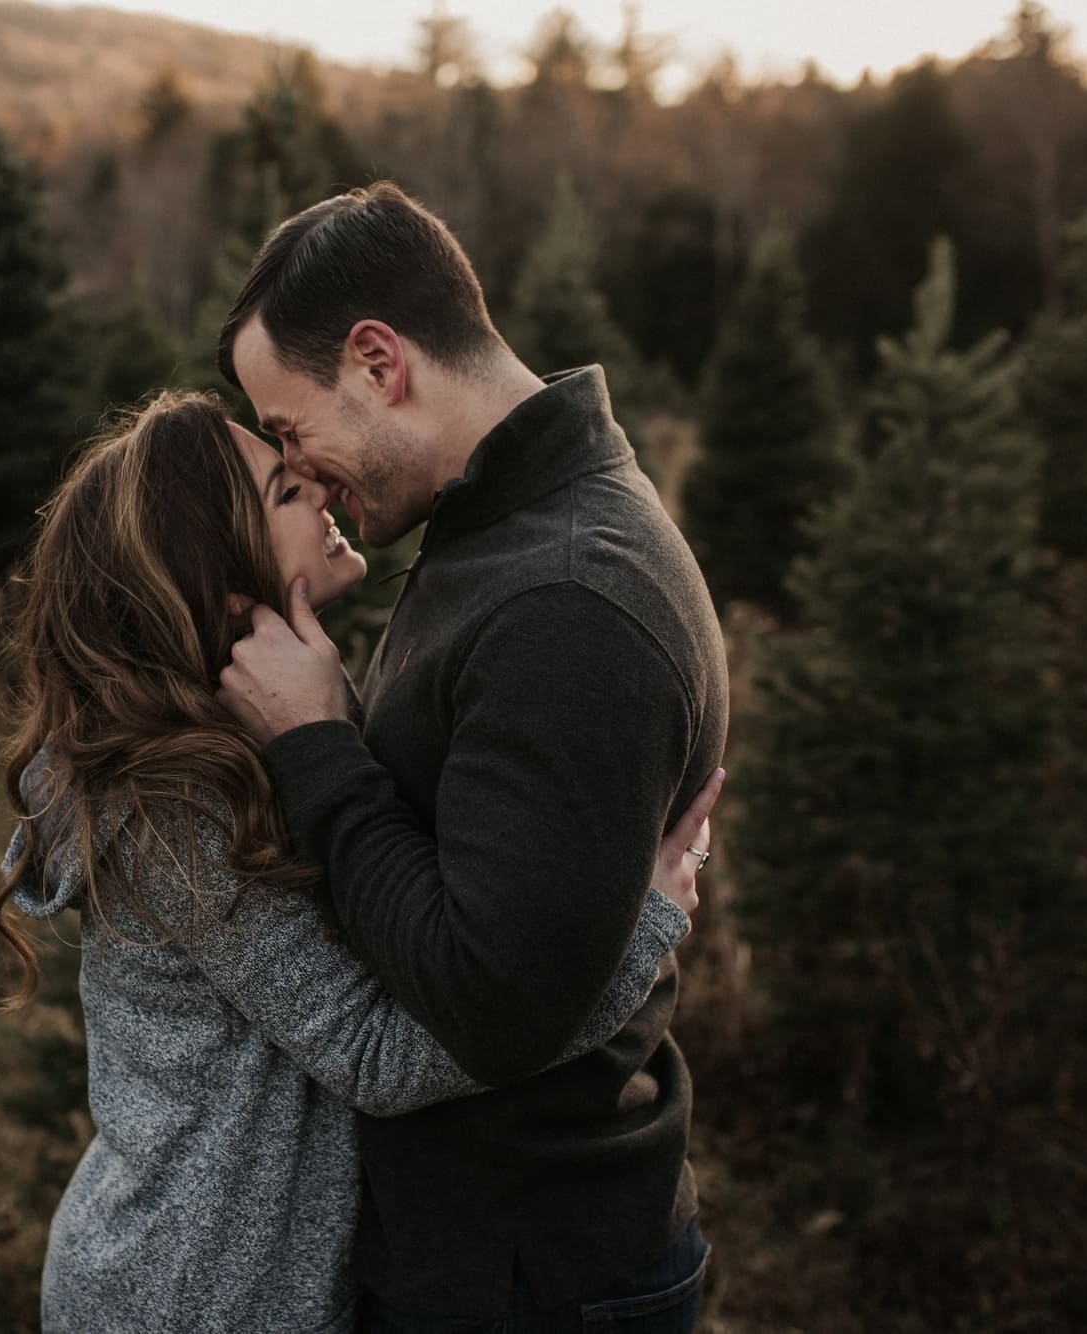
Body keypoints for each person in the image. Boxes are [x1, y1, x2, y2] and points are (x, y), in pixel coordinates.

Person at [0, 392, 724, 1332]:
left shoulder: (248, 743)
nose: (321, 486)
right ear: (223, 581)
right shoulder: (179, 818)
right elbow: (375, 1057)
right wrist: (636, 937)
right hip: (193, 1295)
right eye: (285, 491)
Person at [214, 182, 730, 1331]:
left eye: (290, 429)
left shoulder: (564, 600)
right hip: (484, 1252)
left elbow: (484, 1002)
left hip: (524, 1272)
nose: (297, 470)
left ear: (376, 360)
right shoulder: (497, 530)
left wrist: (313, 744)